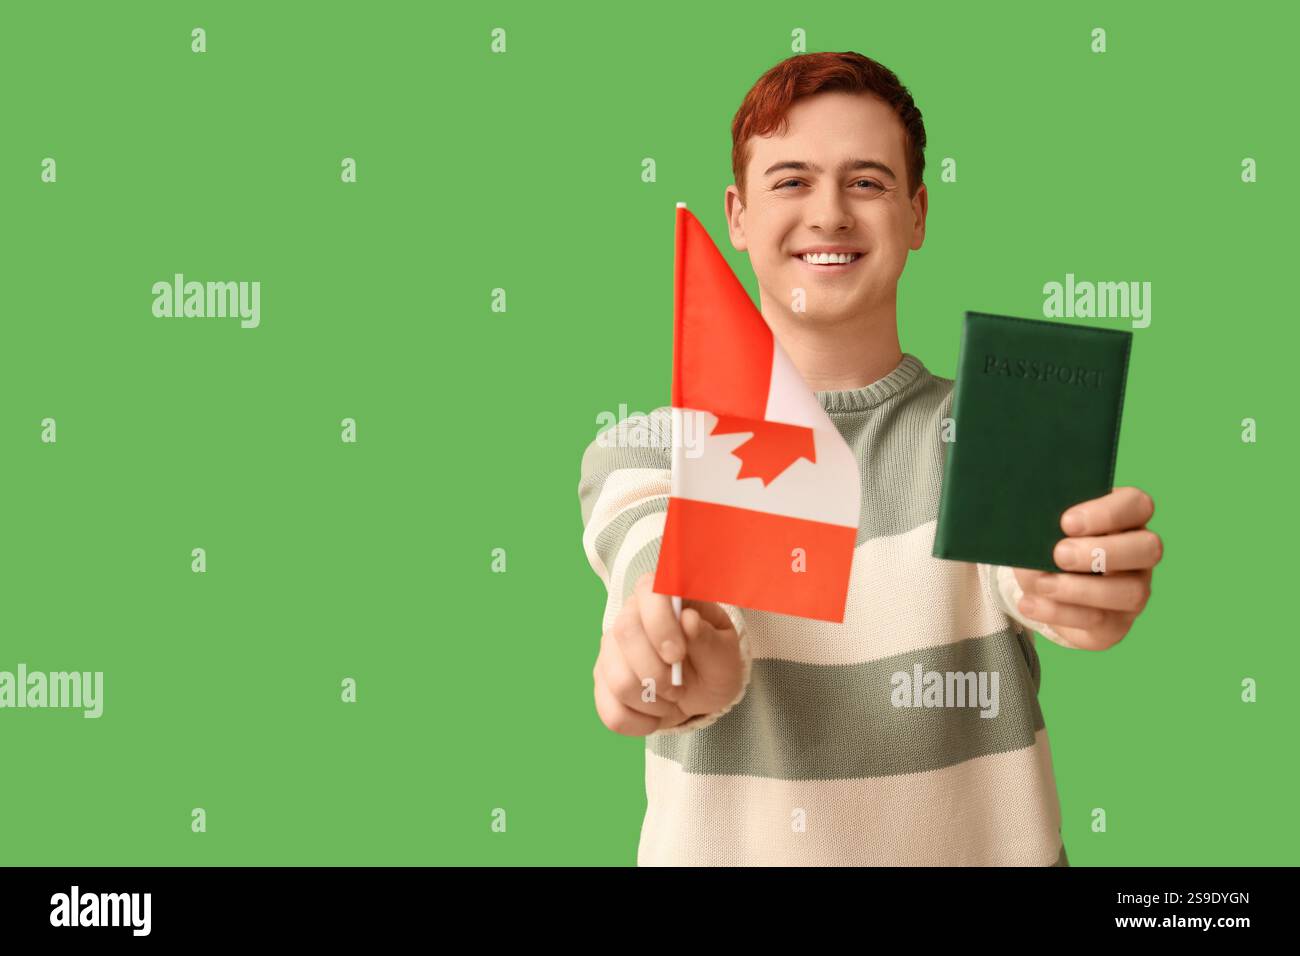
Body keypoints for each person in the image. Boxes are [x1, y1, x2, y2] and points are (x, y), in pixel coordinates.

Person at [578, 51, 1163, 865]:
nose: (830, 214)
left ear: (917, 215)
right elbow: (657, 571)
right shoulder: (652, 447)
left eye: (867, 182)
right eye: (790, 181)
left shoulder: (993, 424)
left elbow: (1036, 578)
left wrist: (1076, 584)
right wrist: (674, 654)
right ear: (736, 215)